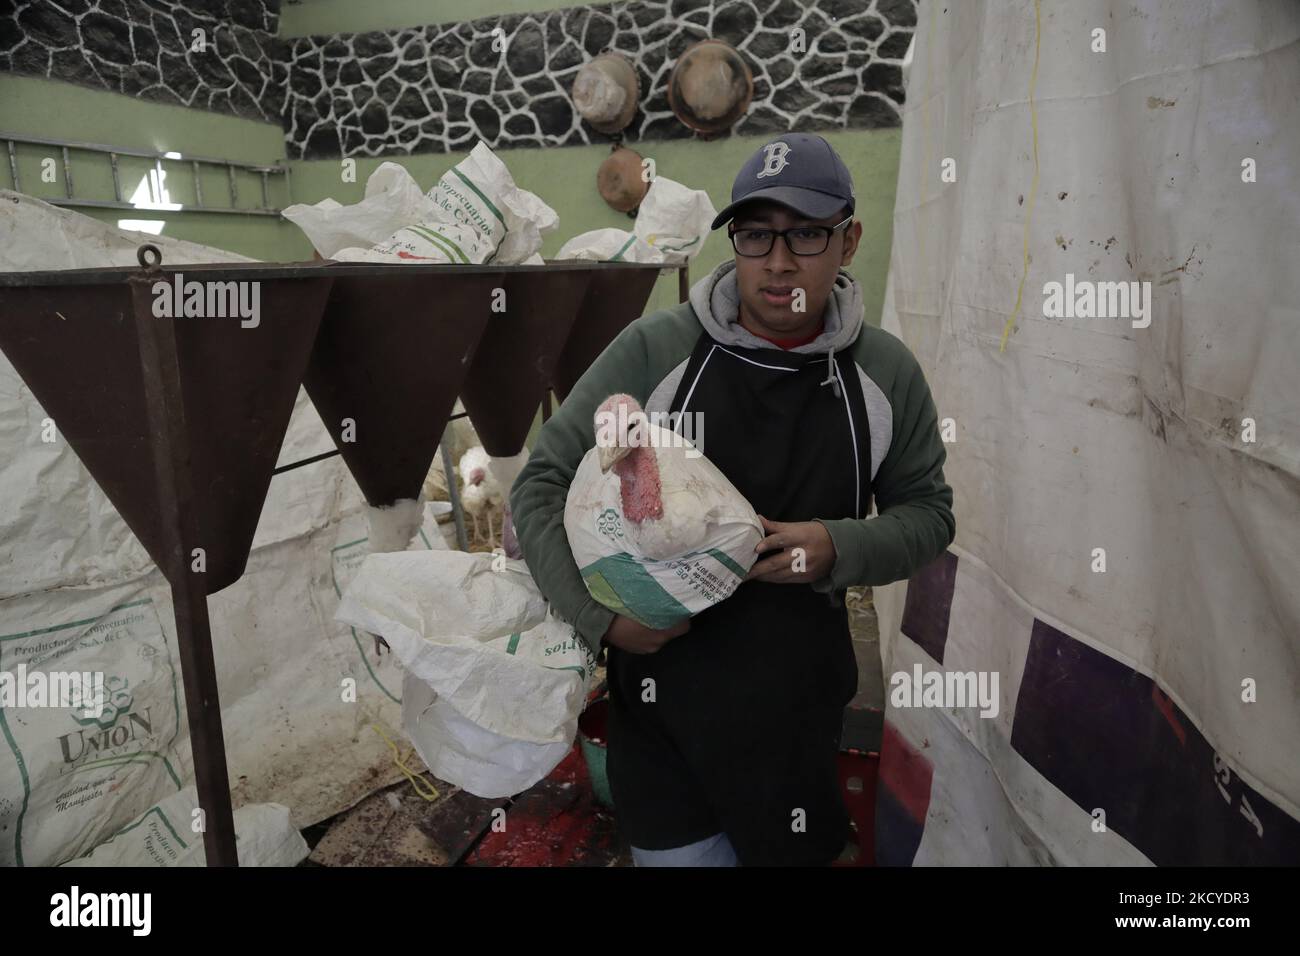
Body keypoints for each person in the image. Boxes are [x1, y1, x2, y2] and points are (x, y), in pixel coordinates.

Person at [510, 132, 955, 866]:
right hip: (664, 722)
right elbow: (542, 483)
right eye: (756, 234)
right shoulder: (654, 353)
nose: (779, 262)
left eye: (807, 233)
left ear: (849, 242)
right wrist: (601, 622)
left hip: (796, 717)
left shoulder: (883, 374)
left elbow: (929, 515)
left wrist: (836, 544)